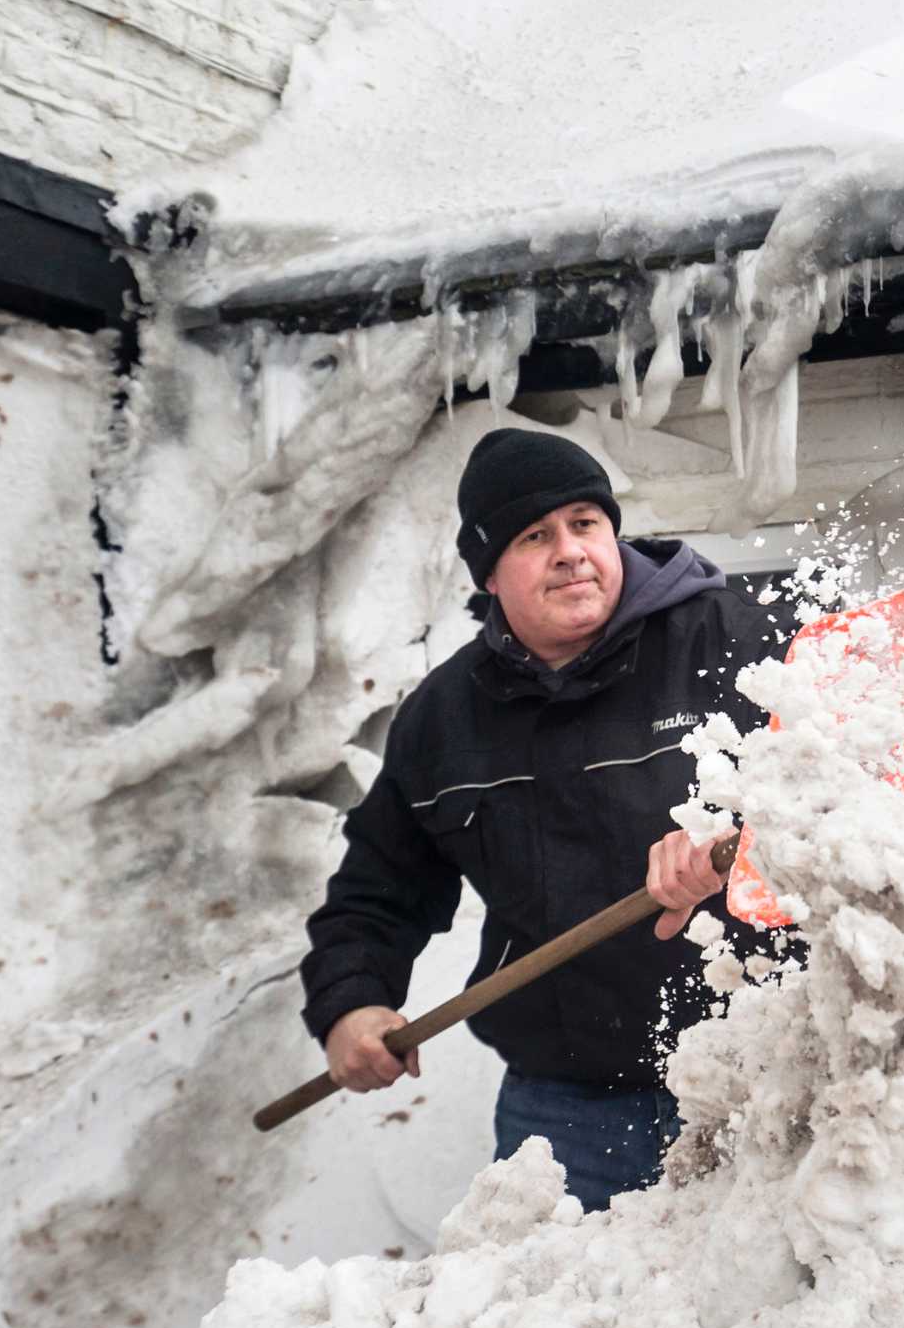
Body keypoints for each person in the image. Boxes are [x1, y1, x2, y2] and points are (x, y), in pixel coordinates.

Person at [296, 427, 791, 1210]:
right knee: (559, 1322)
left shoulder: (731, 641)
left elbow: (852, 793)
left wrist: (737, 841)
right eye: (535, 535)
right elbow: (376, 891)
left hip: (766, 1079)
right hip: (572, 1108)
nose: (570, 550)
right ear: (490, 573)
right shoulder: (444, 720)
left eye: (586, 524)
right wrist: (350, 1003)